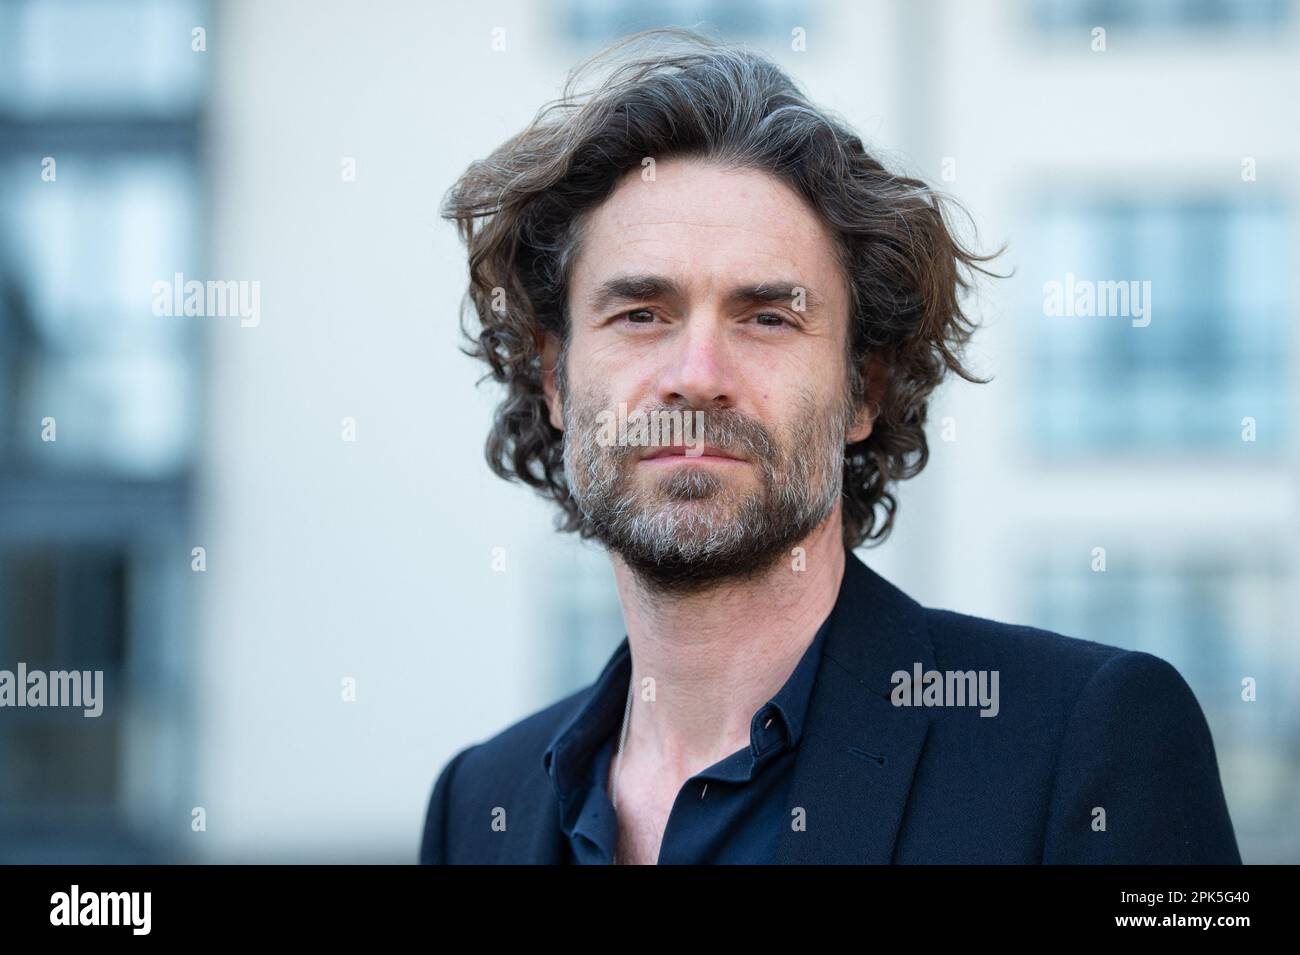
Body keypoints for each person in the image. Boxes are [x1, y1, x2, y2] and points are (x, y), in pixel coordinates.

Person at [419, 28, 1240, 864]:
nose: (696, 375)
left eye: (767, 317)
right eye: (641, 313)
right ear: (555, 379)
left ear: (865, 391)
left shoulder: (1085, 742)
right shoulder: (478, 802)